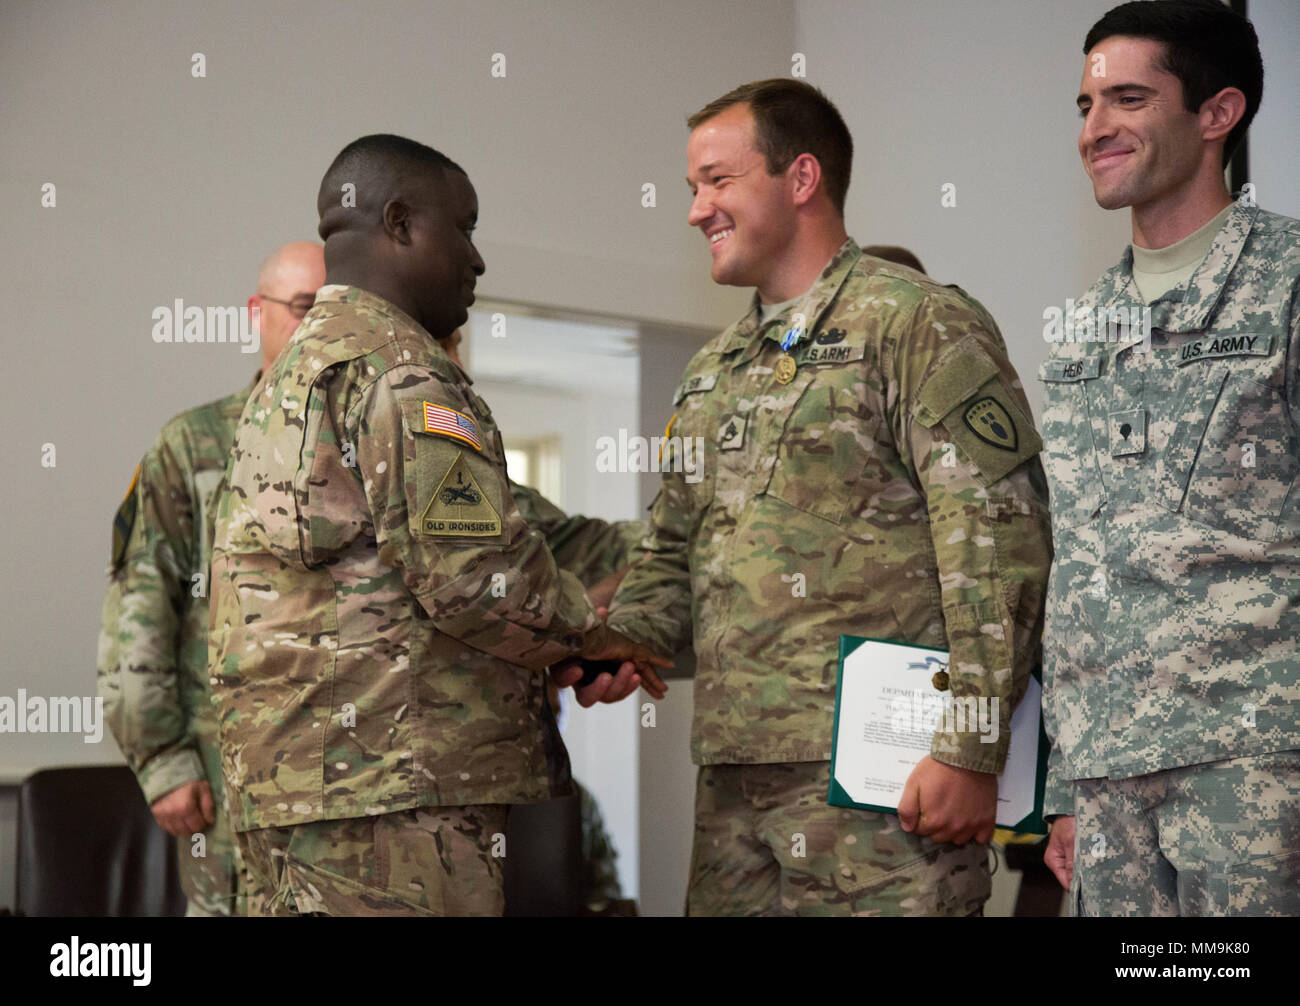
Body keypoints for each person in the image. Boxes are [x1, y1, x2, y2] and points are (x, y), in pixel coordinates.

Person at [602, 79, 1052, 915]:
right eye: (692, 187)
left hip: (887, 789)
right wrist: (619, 640)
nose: (697, 209)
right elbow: (672, 552)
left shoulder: (916, 323)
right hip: (736, 787)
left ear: (801, 178)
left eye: (717, 180)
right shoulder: (712, 369)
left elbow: (999, 538)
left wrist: (972, 749)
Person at [208, 134, 668, 917]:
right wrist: (594, 634)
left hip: (298, 792)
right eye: (467, 227)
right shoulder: (402, 371)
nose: (479, 259)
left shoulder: (290, 378)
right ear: (399, 223)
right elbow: (481, 582)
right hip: (393, 799)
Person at [1041, 0, 1299, 916]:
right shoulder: (1080, 328)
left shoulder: (1288, 284)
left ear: (1218, 113)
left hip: (1258, 768)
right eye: (1084, 105)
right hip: (1109, 780)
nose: (1095, 129)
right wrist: (1065, 782)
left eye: (1128, 100)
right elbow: (1074, 563)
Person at [97, 241, 326, 916]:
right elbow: (139, 609)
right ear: (258, 313)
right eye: (303, 307)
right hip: (226, 778)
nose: (318, 330)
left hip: (346, 782)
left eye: (335, 312)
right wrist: (162, 757)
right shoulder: (194, 445)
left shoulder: (370, 443)